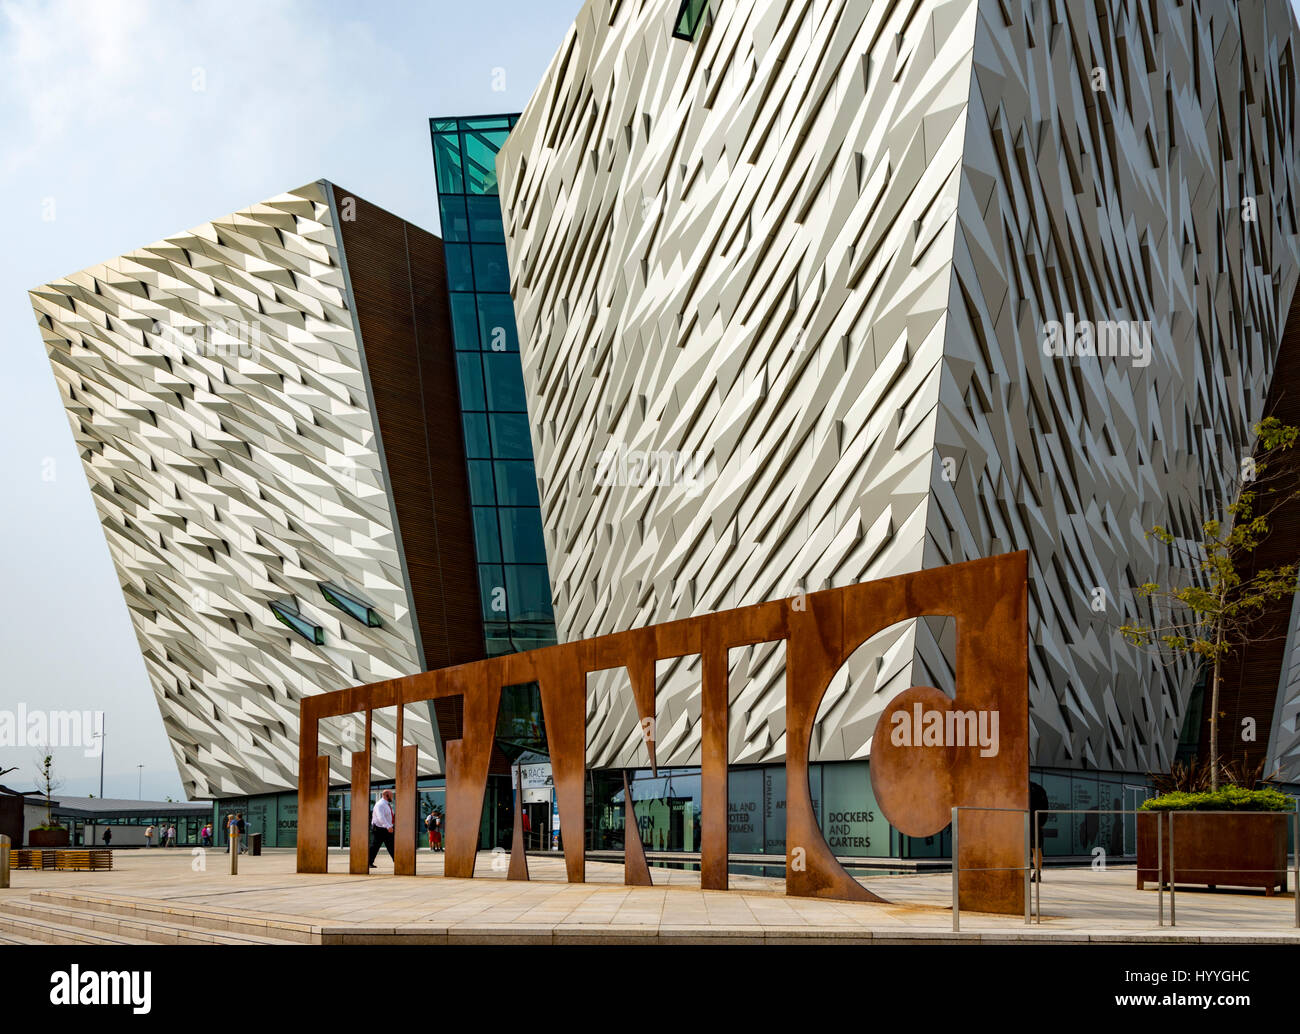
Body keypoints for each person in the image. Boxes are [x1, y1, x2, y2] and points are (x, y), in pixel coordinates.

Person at [368, 789, 396, 868]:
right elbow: (381, 817)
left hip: (386, 829)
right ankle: (368, 862)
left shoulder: (386, 804)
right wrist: (388, 826)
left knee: (392, 846)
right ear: (386, 795)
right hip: (379, 829)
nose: (392, 797)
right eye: (391, 795)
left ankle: (397, 861)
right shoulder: (380, 804)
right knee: (374, 846)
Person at [1029, 781, 1050, 882]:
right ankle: (1037, 873)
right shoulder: (1039, 788)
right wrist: (1041, 823)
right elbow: (1045, 808)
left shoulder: (1020, 786)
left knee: (1033, 849)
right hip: (1036, 822)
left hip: (1023, 821)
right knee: (1036, 849)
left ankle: (1021, 872)